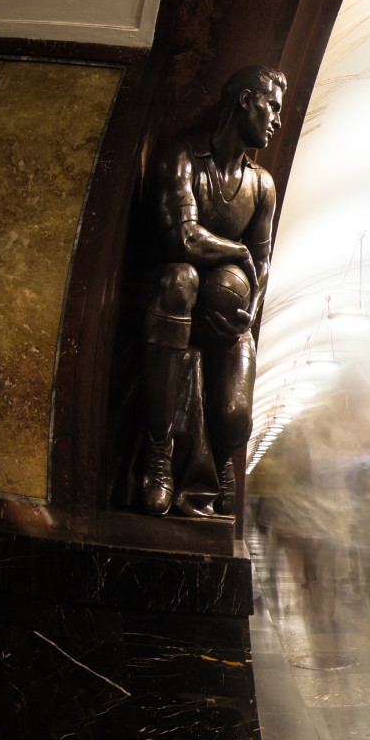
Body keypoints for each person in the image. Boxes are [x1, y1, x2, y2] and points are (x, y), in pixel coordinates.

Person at [139, 65, 285, 516]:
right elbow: (181, 235)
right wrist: (236, 253)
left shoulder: (262, 186)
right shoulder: (182, 157)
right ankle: (159, 455)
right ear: (245, 100)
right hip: (179, 301)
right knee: (178, 277)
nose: (277, 120)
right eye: (272, 107)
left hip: (226, 316)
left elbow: (261, 263)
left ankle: (222, 459)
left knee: (235, 417)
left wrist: (250, 312)